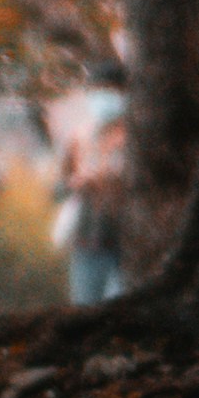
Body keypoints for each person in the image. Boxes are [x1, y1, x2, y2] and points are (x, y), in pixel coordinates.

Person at [49, 69, 128, 314]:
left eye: (111, 91)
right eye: (97, 91)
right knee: (85, 313)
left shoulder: (138, 137)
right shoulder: (78, 136)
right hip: (87, 241)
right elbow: (56, 190)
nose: (103, 97)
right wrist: (75, 182)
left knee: (122, 311)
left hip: (129, 242)